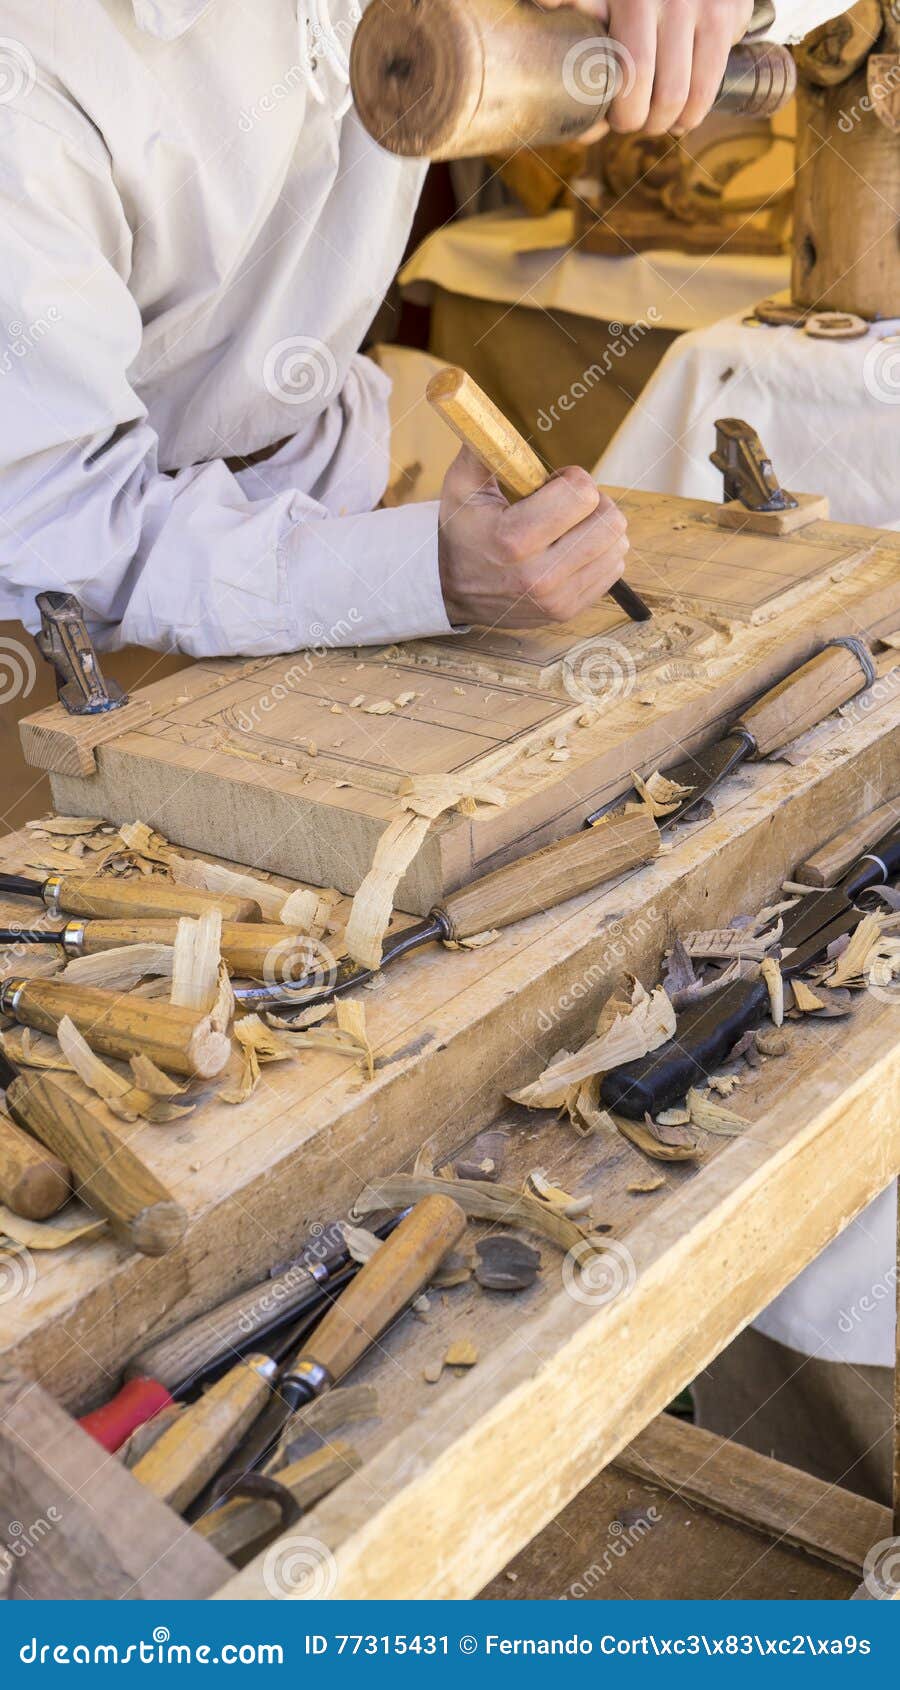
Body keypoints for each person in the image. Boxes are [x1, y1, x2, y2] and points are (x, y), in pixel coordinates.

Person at [0, 0, 835, 660]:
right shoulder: (31, 78)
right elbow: (56, 538)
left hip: (324, 488)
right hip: (86, 636)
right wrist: (419, 571)